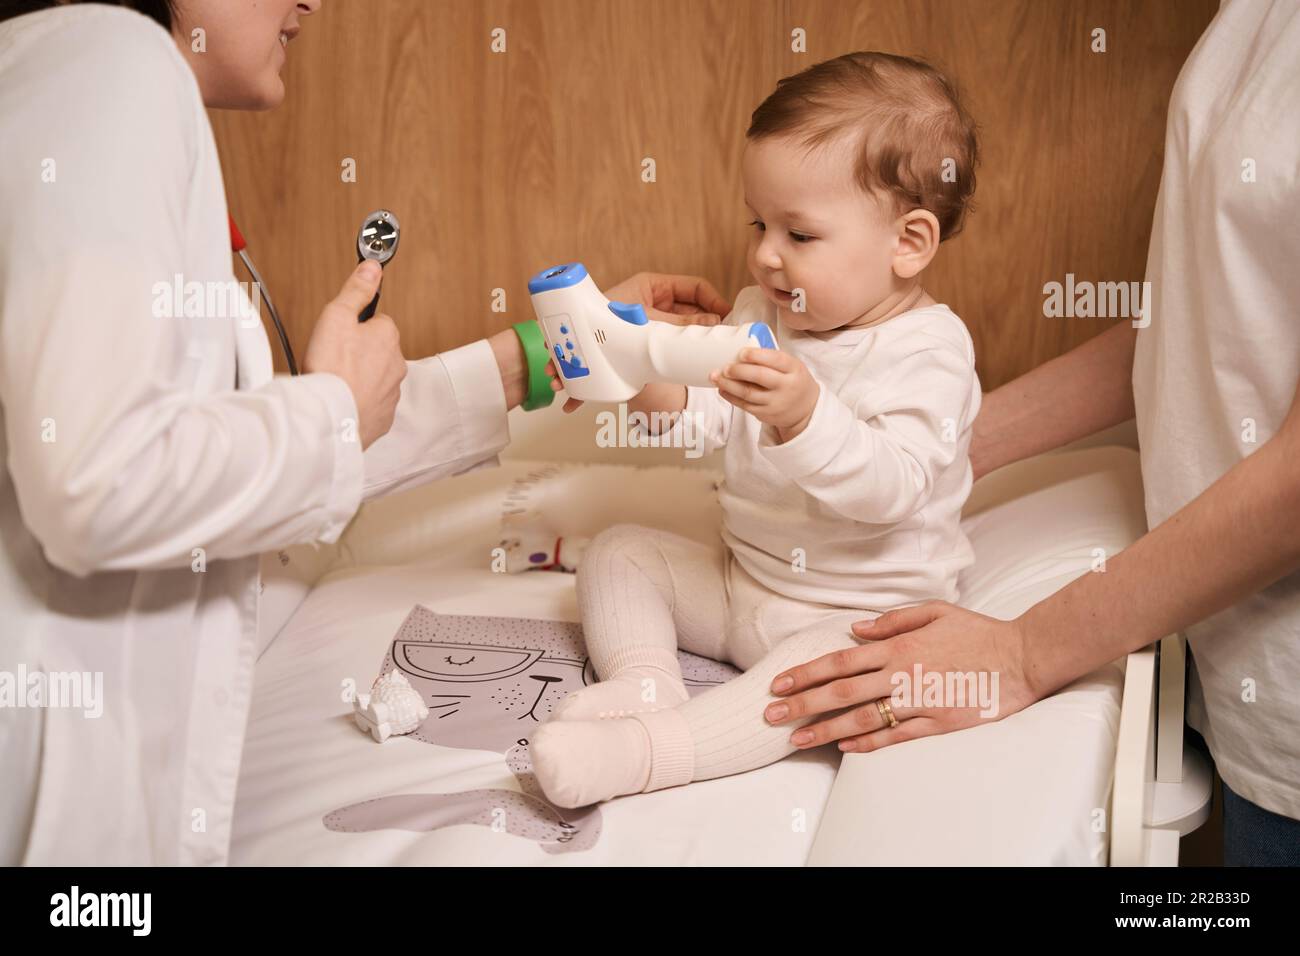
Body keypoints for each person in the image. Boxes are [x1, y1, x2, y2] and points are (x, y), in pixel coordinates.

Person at [0, 0, 727, 865]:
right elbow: (99, 477)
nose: (309, 0)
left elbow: (216, 456)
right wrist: (329, 409)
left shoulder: (79, 78)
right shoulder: (108, 55)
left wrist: (558, 351)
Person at [764, 0, 1300, 865]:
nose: (767, 255)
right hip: (1232, 658)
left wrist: (1019, 654)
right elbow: (1211, 320)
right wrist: (922, 458)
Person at [531, 52, 981, 808]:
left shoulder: (931, 352)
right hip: (744, 587)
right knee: (620, 552)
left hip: (856, 621)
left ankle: (646, 753)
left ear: (908, 242)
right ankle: (645, 684)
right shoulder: (762, 313)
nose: (765, 253)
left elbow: (894, 490)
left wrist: (806, 417)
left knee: (802, 690)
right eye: (759, 222)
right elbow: (705, 425)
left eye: (799, 235)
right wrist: (638, 372)